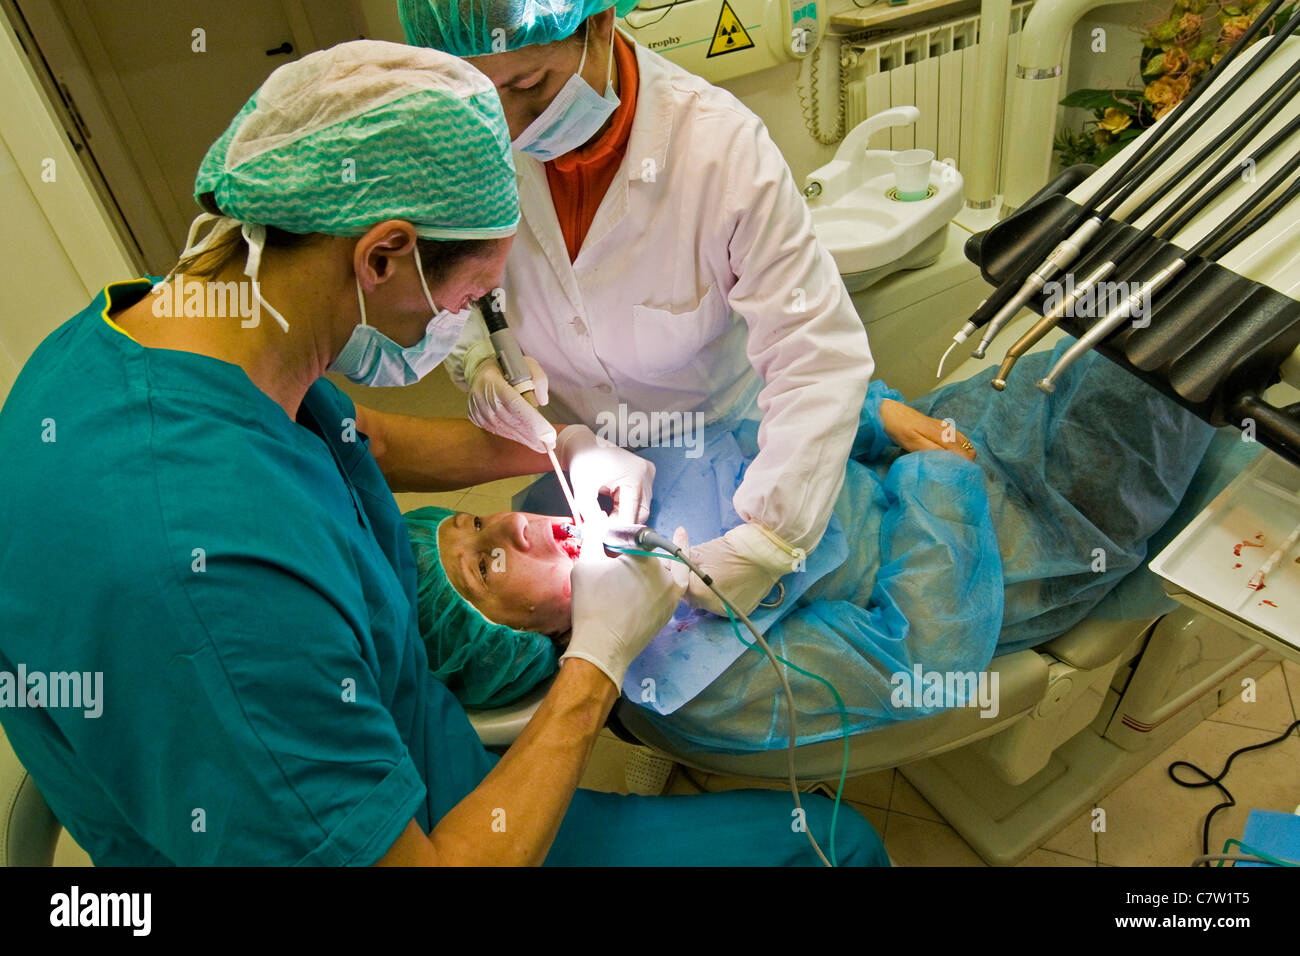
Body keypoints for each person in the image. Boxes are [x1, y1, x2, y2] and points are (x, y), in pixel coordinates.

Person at [0, 40, 887, 866]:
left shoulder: (167, 331)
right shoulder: (210, 586)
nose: (464, 324)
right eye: (476, 296)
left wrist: (555, 444)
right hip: (442, 833)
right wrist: (594, 671)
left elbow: (352, 440)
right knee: (829, 843)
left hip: (410, 762)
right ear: (384, 256)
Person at [398, 0, 980, 621]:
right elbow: (461, 290)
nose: (509, 127)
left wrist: (772, 538)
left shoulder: (719, 152)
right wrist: (481, 357)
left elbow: (814, 351)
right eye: (487, 97)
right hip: (588, 459)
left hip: (737, 444)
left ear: (598, 25)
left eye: (530, 84)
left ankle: (871, 416)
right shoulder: (474, 140)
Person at [402, 343, 1222, 751]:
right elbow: (931, 660)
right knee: (1193, 341)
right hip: (1035, 537)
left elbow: (767, 435)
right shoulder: (701, 682)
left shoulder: (594, 489)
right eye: (485, 565)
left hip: (957, 428)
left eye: (468, 521)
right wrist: (938, 478)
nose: (508, 525)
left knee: (1116, 299)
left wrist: (878, 415)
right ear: (508, 641)